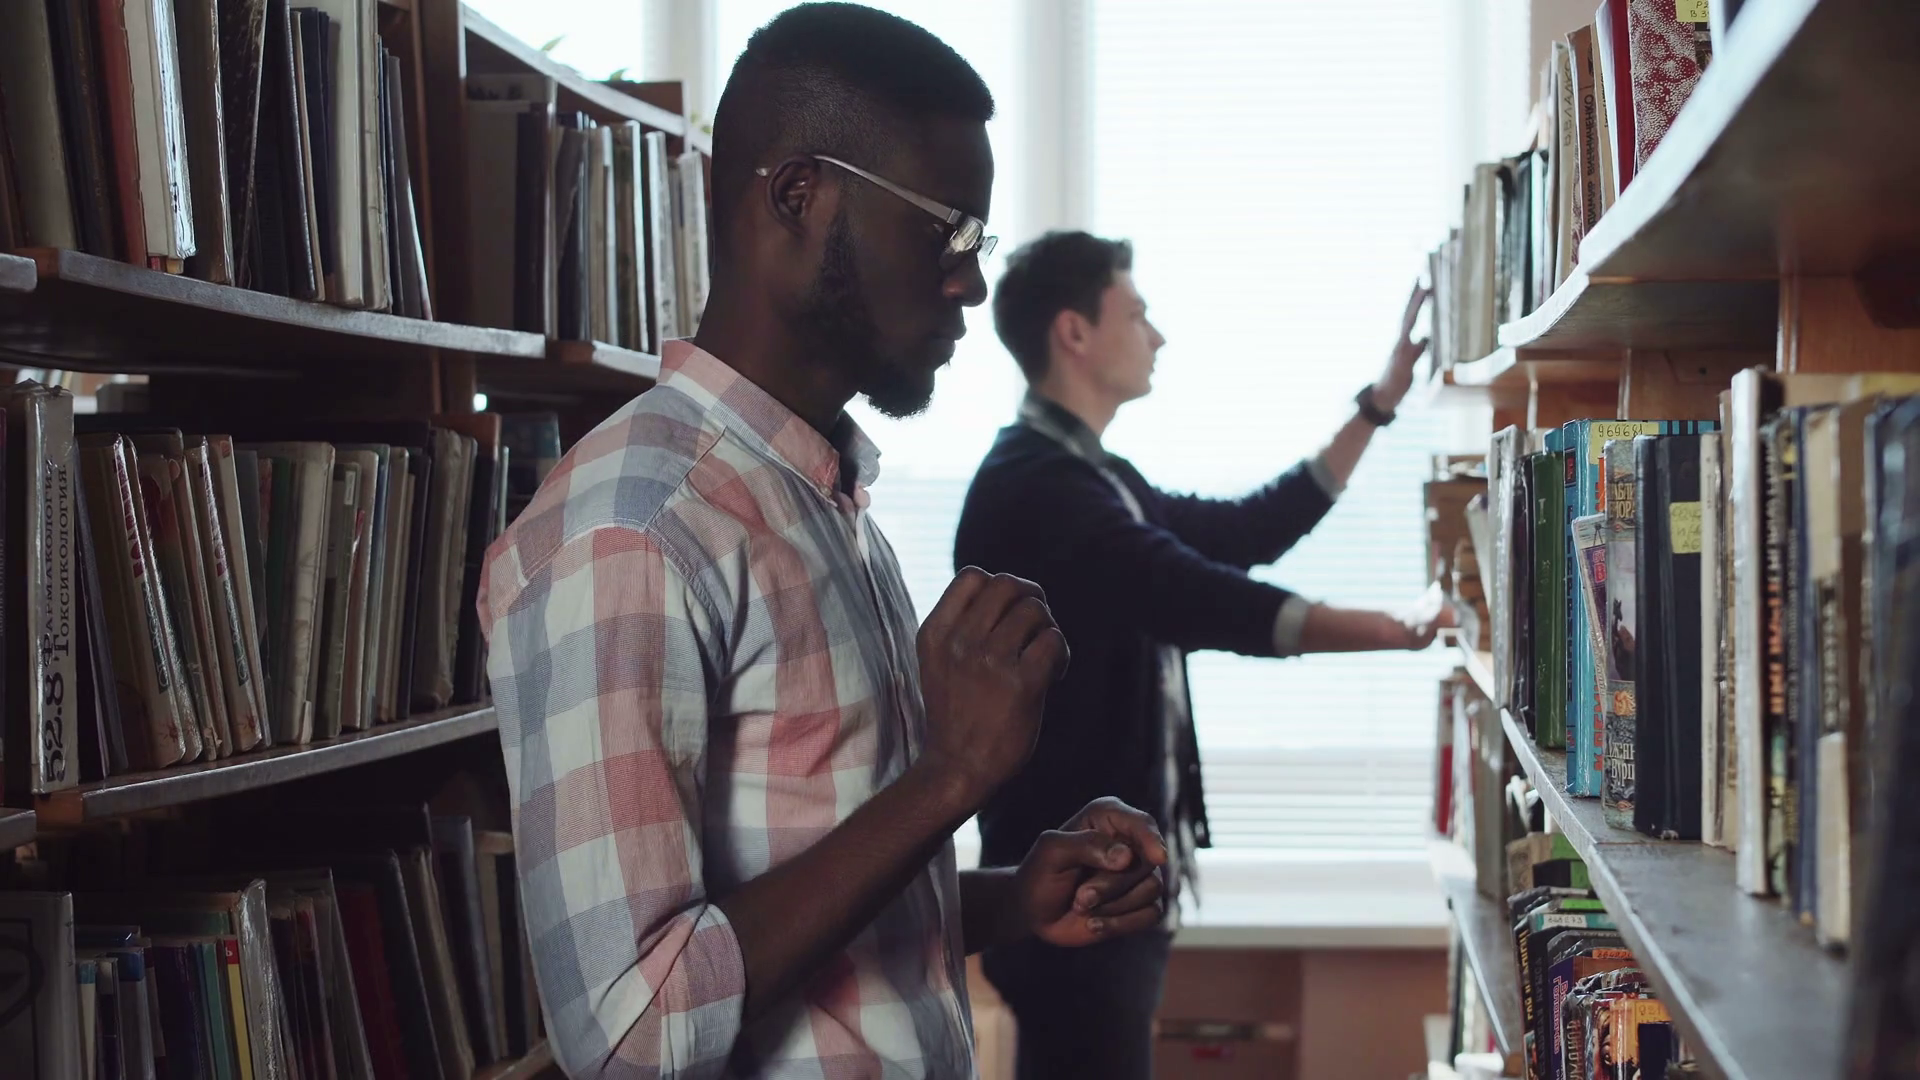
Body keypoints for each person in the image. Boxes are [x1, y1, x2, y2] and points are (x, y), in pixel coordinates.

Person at [479, 13, 1170, 1079]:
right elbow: (632, 1031)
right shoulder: (634, 528)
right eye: (947, 232)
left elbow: (815, 894)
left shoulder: (820, 497)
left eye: (978, 242)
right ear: (800, 196)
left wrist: (1007, 899)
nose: (971, 284)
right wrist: (950, 779)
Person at [954, 230, 1448, 1079]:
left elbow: (1246, 530)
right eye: (1138, 313)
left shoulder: (1094, 473)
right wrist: (1398, 629)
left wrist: (1378, 405)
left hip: (1104, 882)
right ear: (1074, 332)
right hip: (1075, 887)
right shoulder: (1039, 488)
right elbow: (1199, 597)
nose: (1158, 335)